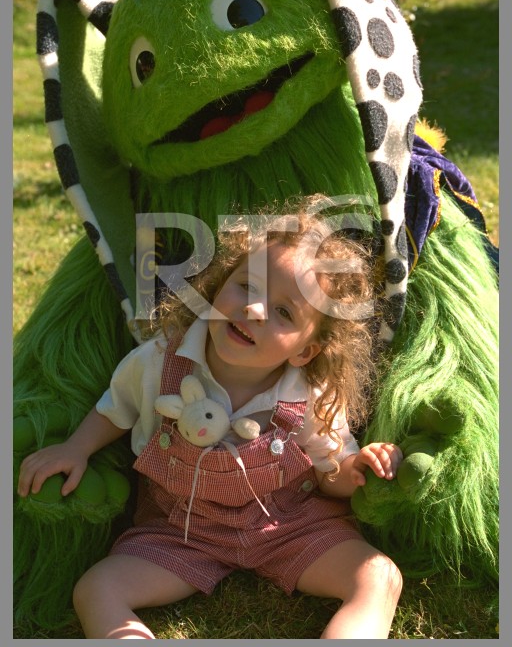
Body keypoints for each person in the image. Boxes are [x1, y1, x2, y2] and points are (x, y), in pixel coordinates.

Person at [18, 194, 404, 639]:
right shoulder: (161, 359)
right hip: (180, 532)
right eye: (246, 286)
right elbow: (116, 408)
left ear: (305, 351)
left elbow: (328, 471)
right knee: (96, 587)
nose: (253, 310)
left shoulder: (309, 394)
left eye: (282, 312)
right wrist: (76, 447)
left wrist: (358, 469)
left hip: (290, 527)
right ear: (220, 282)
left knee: (378, 576)